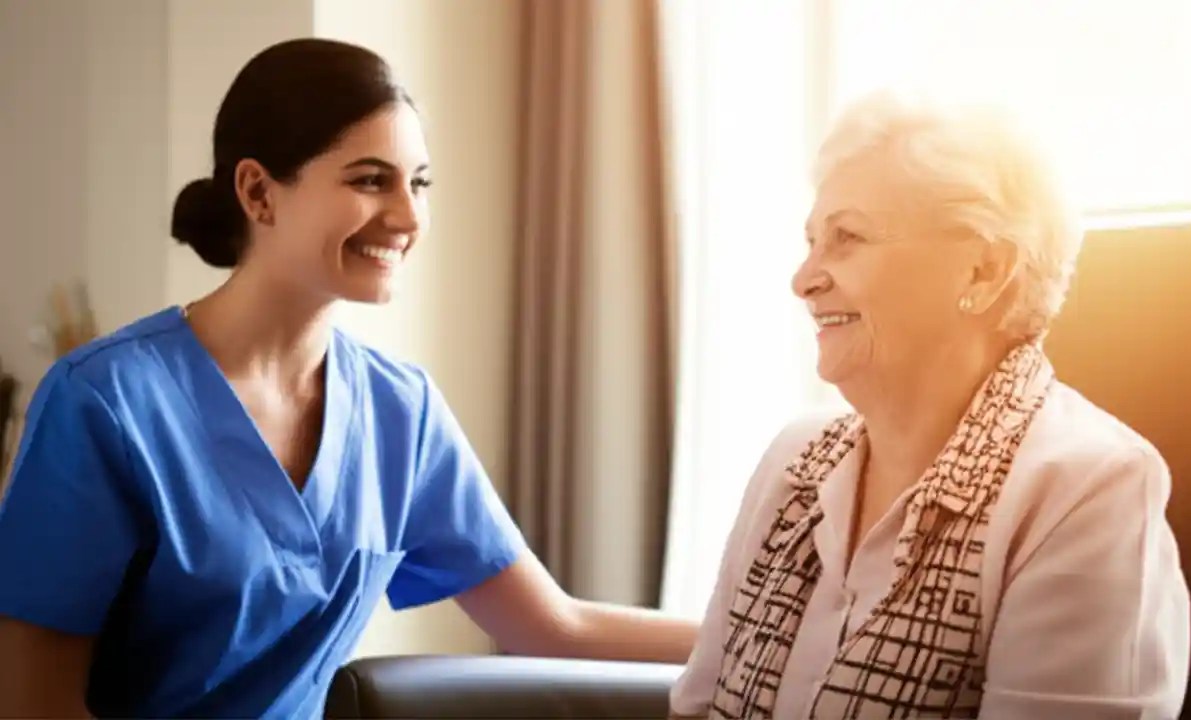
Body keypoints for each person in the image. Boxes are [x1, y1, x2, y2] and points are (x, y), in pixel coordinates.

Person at [0, 38, 695, 719]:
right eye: (370, 180)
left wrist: (752, 642)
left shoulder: (401, 412)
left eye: (419, 183)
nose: (408, 216)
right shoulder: (106, 402)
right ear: (258, 193)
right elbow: (33, 703)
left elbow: (552, 627)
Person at [669, 89, 1191, 719]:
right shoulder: (793, 460)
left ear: (983, 271)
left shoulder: (1088, 489)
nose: (803, 279)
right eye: (811, 241)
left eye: (847, 237)